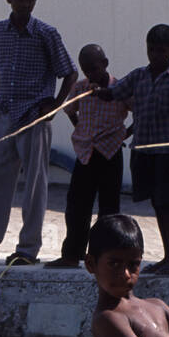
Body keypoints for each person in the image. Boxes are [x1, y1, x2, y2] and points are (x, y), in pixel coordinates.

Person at [0, 0, 76, 267]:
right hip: (3, 114)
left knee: (34, 185)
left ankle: (27, 249)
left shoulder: (46, 33)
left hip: (34, 116)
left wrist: (56, 106)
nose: (26, 5)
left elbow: (69, 72)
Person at [97, 24, 169, 275]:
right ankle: (167, 258)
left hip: (166, 152)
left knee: (165, 204)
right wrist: (98, 90)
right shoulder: (139, 76)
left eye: (161, 50)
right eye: (151, 49)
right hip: (143, 150)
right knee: (155, 203)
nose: (155, 55)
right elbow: (115, 93)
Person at [45, 43, 131, 268]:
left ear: (105, 64)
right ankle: (72, 254)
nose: (90, 74)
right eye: (86, 70)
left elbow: (139, 112)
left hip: (110, 153)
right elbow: (70, 110)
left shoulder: (120, 88)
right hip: (86, 154)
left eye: (94, 68)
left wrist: (123, 135)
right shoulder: (81, 88)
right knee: (76, 206)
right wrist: (81, 130)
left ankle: (103, 255)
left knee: (109, 209)